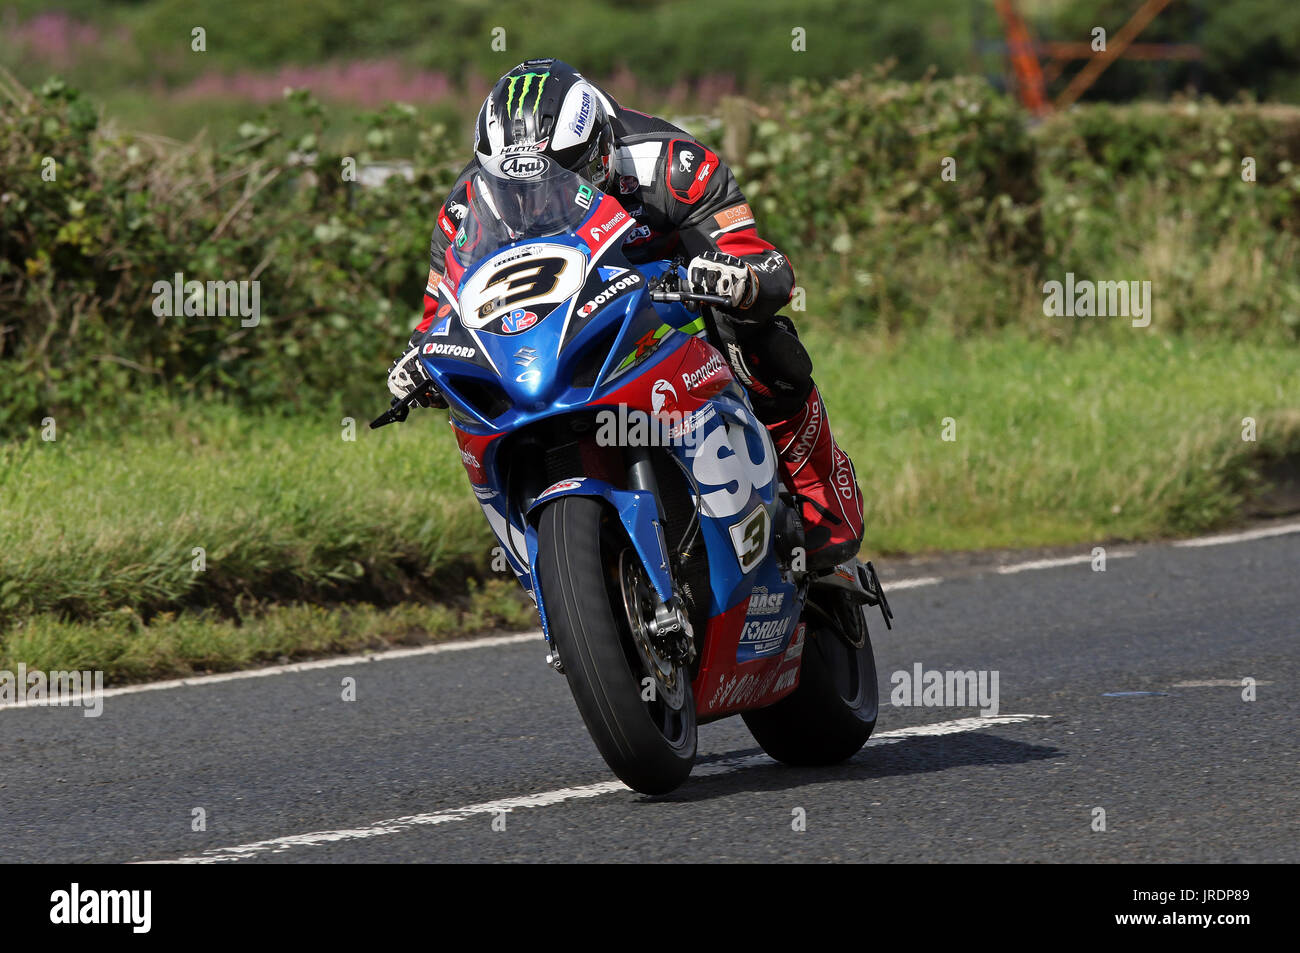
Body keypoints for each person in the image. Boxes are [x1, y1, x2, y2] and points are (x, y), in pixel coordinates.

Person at [387, 58, 864, 571]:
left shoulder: (671, 163)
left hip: (673, 304)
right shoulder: (466, 205)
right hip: (556, 330)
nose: (539, 194)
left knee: (761, 343)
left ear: (600, 147)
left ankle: (818, 496)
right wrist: (423, 360)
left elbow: (757, 258)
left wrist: (737, 277)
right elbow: (442, 310)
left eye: (565, 173)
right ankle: (545, 550)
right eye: (516, 185)